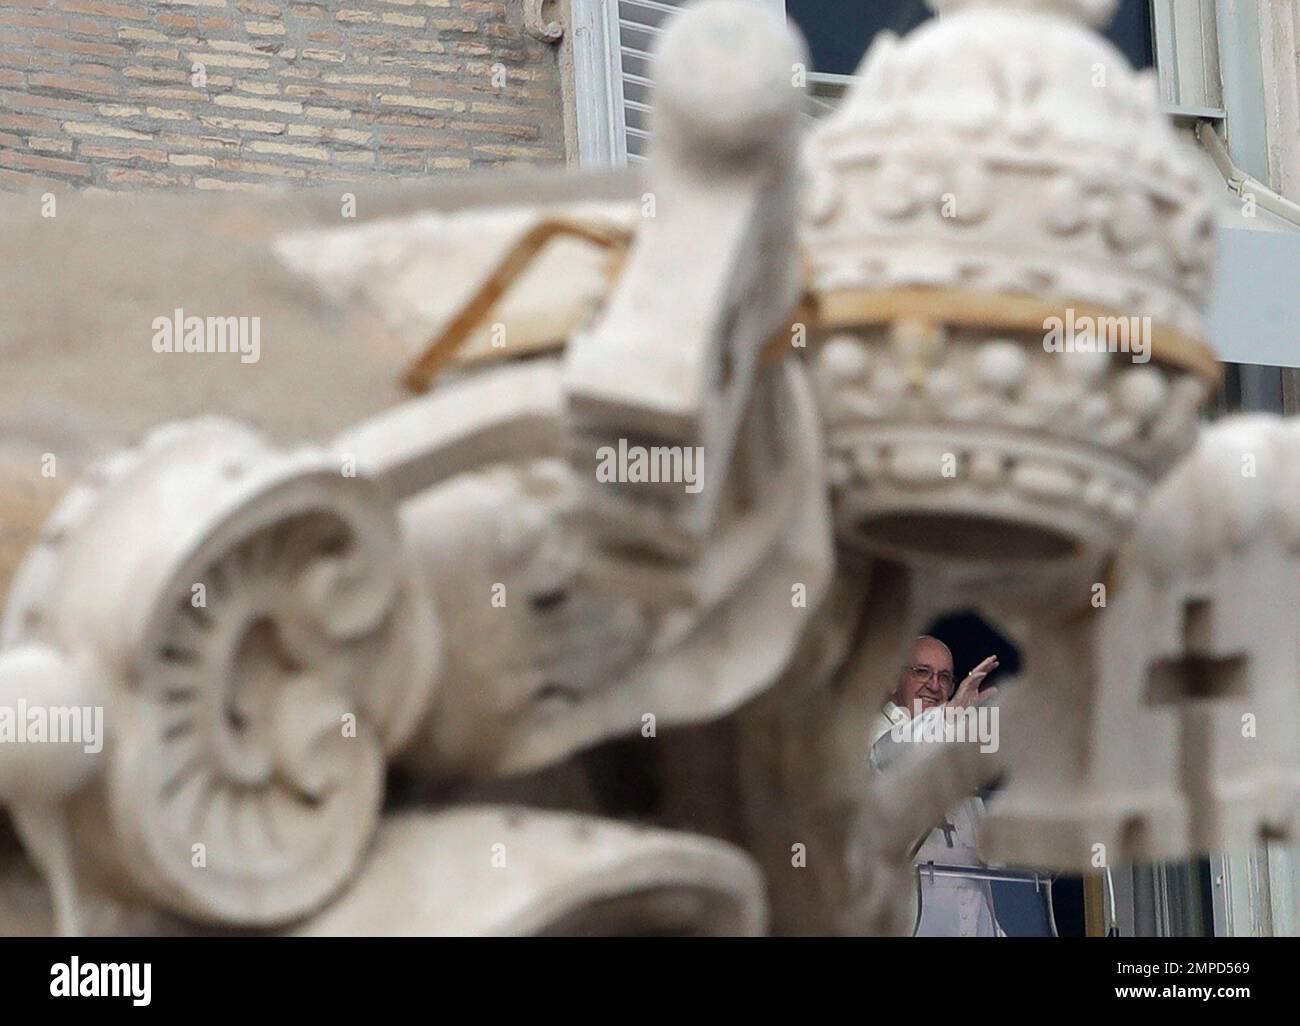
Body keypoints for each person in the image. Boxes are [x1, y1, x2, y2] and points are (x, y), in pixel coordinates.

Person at [869, 635, 1002, 937]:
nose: (934, 684)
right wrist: (951, 715)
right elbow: (895, 754)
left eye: (944, 677)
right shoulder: (873, 736)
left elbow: (991, 868)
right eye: (922, 672)